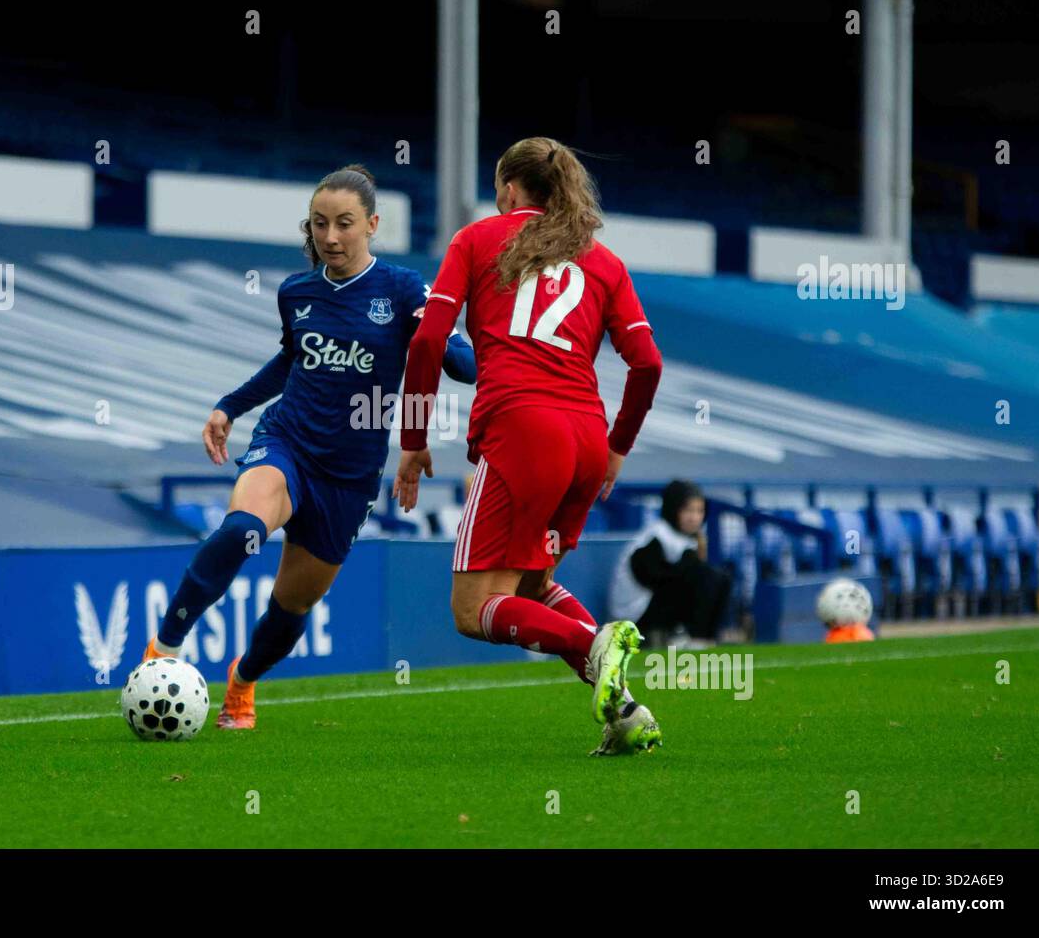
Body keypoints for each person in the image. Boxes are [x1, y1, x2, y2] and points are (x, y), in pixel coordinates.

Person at [146, 165, 476, 729]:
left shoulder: (403, 289)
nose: (330, 237)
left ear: (371, 224)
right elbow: (290, 360)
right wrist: (230, 406)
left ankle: (242, 682)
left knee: (293, 604)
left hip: (348, 477)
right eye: (320, 224)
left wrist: (438, 334)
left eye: (344, 224)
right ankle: (164, 649)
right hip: (288, 441)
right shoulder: (296, 292)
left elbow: (465, 366)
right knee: (242, 530)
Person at [393, 137, 664, 754]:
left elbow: (427, 343)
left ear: (509, 189)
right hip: (587, 440)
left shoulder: (477, 239)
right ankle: (624, 713)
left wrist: (413, 439)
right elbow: (646, 363)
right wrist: (618, 447)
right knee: (534, 588)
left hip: (521, 434)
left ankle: (592, 641)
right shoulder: (603, 260)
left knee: (474, 609)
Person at [609, 479, 732, 650]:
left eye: (699, 511)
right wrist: (689, 563)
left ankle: (707, 638)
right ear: (673, 510)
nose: (694, 518)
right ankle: (693, 637)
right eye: (688, 511)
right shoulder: (656, 537)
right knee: (705, 576)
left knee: (721, 578)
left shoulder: (684, 539)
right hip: (634, 612)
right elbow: (650, 576)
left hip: (654, 604)